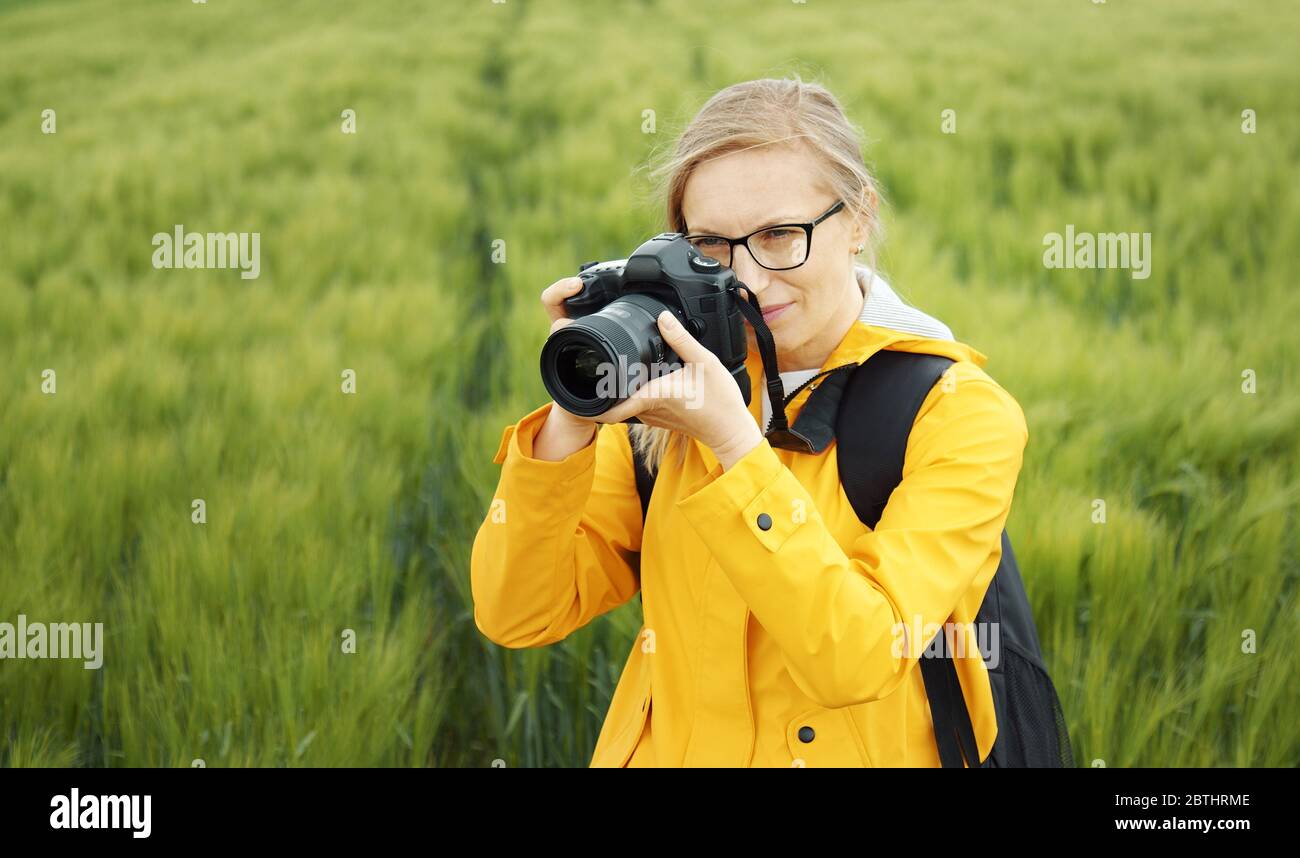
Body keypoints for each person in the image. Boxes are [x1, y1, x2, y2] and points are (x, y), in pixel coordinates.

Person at [470, 76, 1028, 767]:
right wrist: (576, 404)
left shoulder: (957, 415)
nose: (752, 280)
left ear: (858, 220)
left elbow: (856, 659)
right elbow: (521, 611)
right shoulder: (666, 406)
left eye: (779, 235)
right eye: (710, 247)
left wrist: (734, 443)